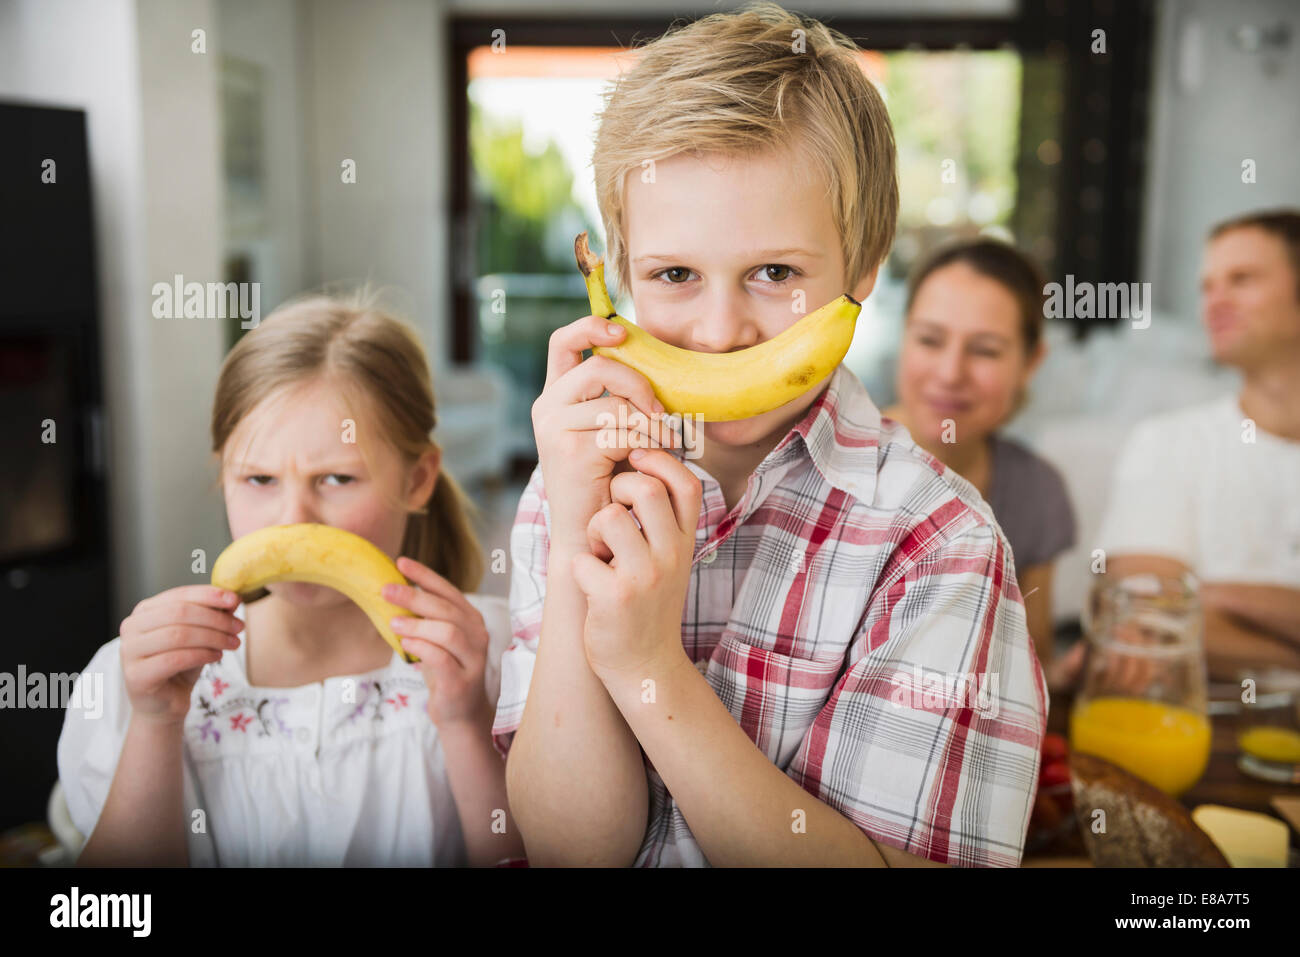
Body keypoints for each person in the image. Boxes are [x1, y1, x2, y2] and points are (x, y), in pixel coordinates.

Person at [493, 2, 1046, 868]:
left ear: (864, 265)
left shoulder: (940, 545)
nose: (718, 333)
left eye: (775, 273)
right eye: (674, 274)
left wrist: (650, 667)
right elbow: (571, 848)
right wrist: (574, 538)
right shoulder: (570, 483)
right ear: (619, 272)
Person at [57, 291, 525, 866]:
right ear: (222, 476)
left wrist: (464, 722)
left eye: (336, 478)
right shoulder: (134, 678)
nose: (293, 520)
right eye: (258, 479)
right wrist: (155, 722)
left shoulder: (503, 654)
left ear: (419, 478)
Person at [1096, 209, 1300, 681]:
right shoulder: (1167, 443)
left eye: (1242, 279)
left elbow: (1180, 610)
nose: (1215, 302)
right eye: (1207, 287)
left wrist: (1217, 596)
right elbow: (1148, 616)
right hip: (1209, 734)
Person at [883, 239, 1079, 689]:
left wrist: (1073, 673)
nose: (951, 372)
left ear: (1030, 363)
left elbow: (1029, 669)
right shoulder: (831, 461)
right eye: (930, 340)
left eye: (986, 350)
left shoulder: (1036, 491)